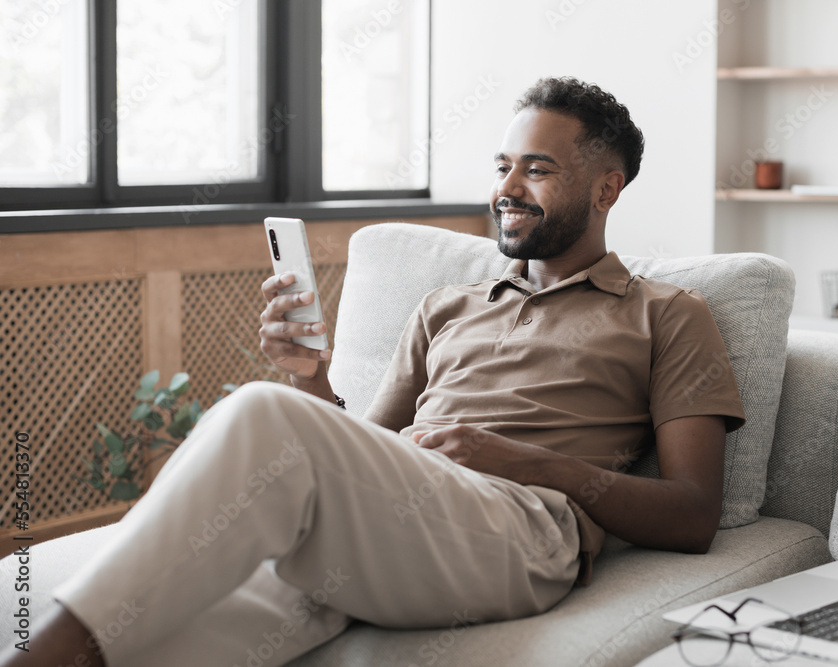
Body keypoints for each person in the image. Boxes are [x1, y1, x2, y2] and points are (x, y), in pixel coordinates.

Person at [0, 76, 744, 667]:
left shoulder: (666, 314)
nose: (507, 188)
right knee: (168, 629)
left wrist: (520, 460)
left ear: (606, 188)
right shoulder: (448, 305)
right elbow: (363, 449)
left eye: (538, 169)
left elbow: (693, 515)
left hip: (522, 531)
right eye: (502, 166)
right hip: (405, 517)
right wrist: (310, 378)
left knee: (260, 411)